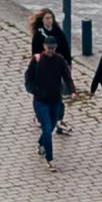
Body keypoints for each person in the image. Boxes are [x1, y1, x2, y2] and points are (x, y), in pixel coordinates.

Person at [23, 12, 72, 159]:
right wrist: (34, 90)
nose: (49, 20)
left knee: (56, 105)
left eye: (51, 18)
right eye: (47, 18)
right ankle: (49, 157)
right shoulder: (39, 35)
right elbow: (34, 55)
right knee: (46, 125)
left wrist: (68, 63)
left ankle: (55, 124)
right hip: (42, 84)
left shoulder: (57, 32)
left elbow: (65, 46)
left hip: (56, 75)